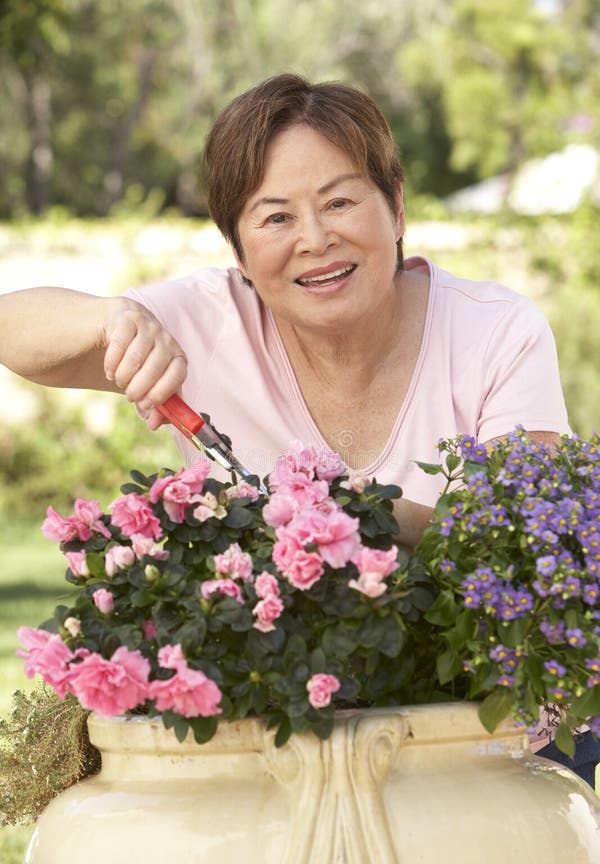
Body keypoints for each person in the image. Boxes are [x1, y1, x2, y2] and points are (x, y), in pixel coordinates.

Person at [0, 72, 568, 552]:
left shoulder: (495, 332)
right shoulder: (210, 320)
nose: (316, 240)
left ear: (396, 207)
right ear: (237, 251)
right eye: (276, 218)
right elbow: (11, 330)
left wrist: (335, 518)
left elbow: (521, 538)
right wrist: (110, 320)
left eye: (339, 202)